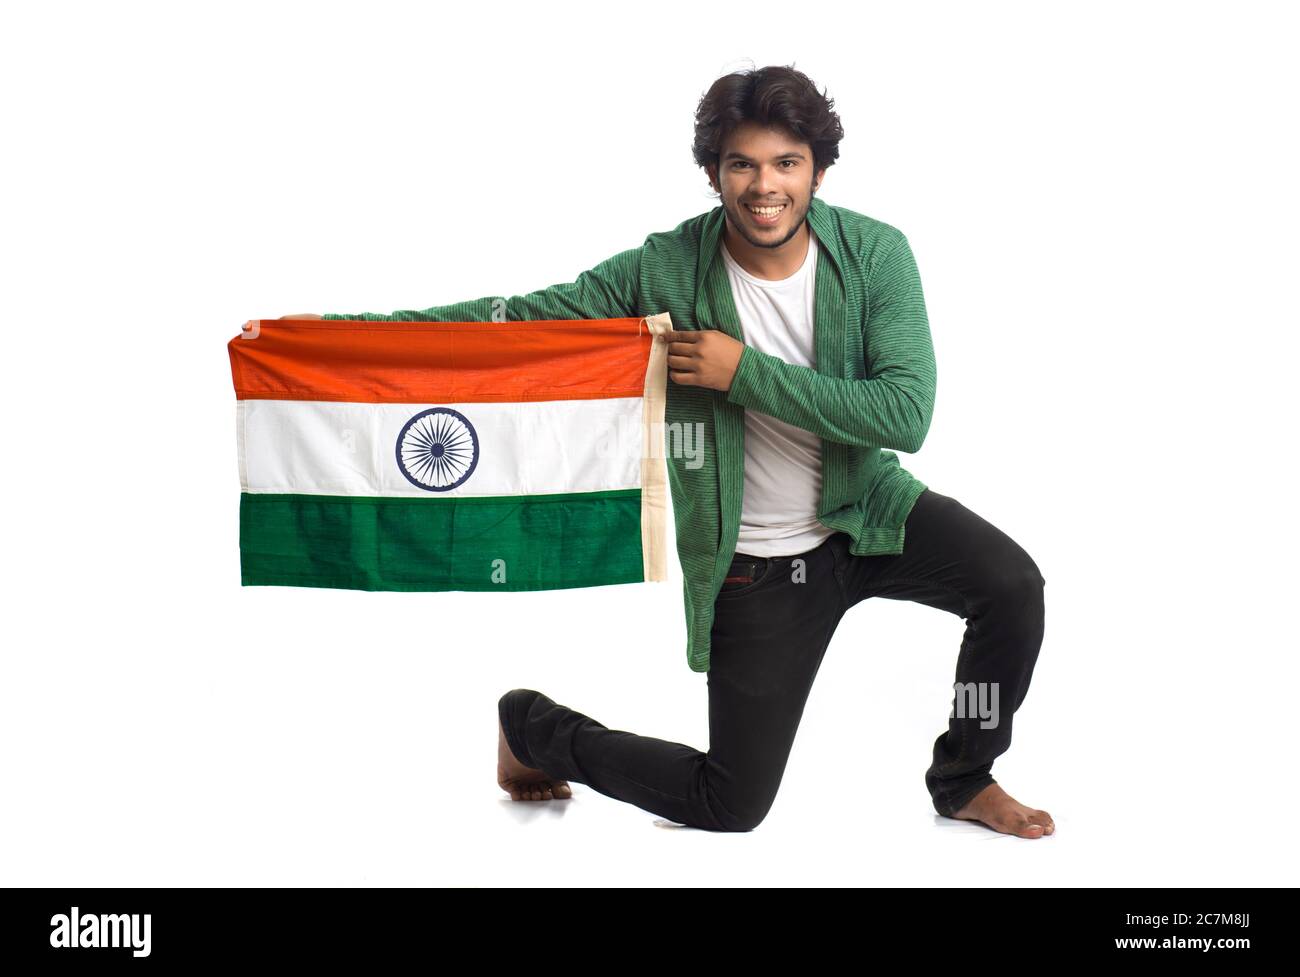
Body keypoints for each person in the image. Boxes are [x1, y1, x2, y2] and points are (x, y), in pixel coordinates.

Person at [291, 65, 1054, 837]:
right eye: (742, 164)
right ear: (714, 173)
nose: (765, 185)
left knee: (1012, 585)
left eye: (787, 163)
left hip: (870, 514)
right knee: (731, 803)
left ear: (818, 172)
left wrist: (743, 372)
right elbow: (520, 320)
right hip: (757, 560)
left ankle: (965, 776)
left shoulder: (875, 255)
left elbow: (905, 412)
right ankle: (532, 728)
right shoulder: (664, 269)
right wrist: (333, 339)